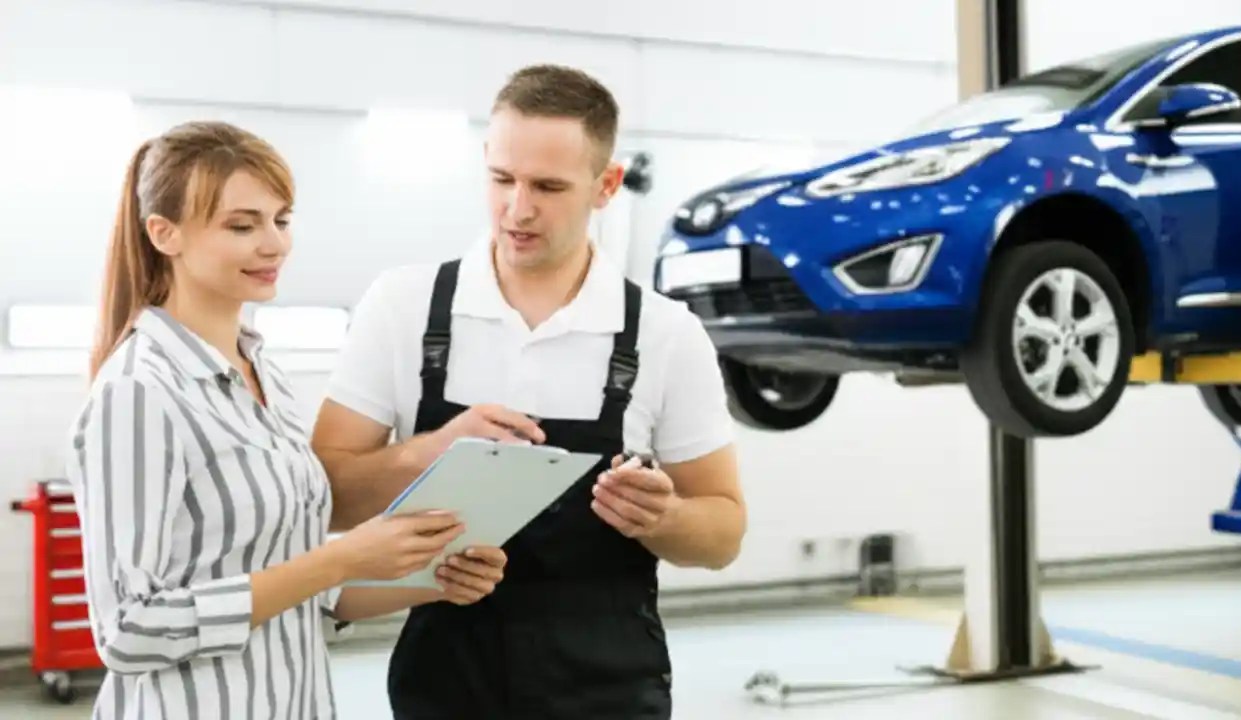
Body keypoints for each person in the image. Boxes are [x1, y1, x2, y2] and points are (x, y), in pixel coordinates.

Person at [311, 64, 747, 718]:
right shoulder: (403, 307)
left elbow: (723, 536)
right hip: (443, 686)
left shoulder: (665, 333)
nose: (518, 208)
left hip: (610, 690)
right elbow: (326, 497)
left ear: (607, 186)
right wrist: (430, 452)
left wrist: (666, 518)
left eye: (548, 186)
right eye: (501, 179)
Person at [67, 120, 508, 720]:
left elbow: (294, 585)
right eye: (242, 226)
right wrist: (344, 556)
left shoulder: (262, 373)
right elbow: (129, 628)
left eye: (281, 219)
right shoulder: (140, 391)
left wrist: (431, 580)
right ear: (163, 233)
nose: (274, 244)